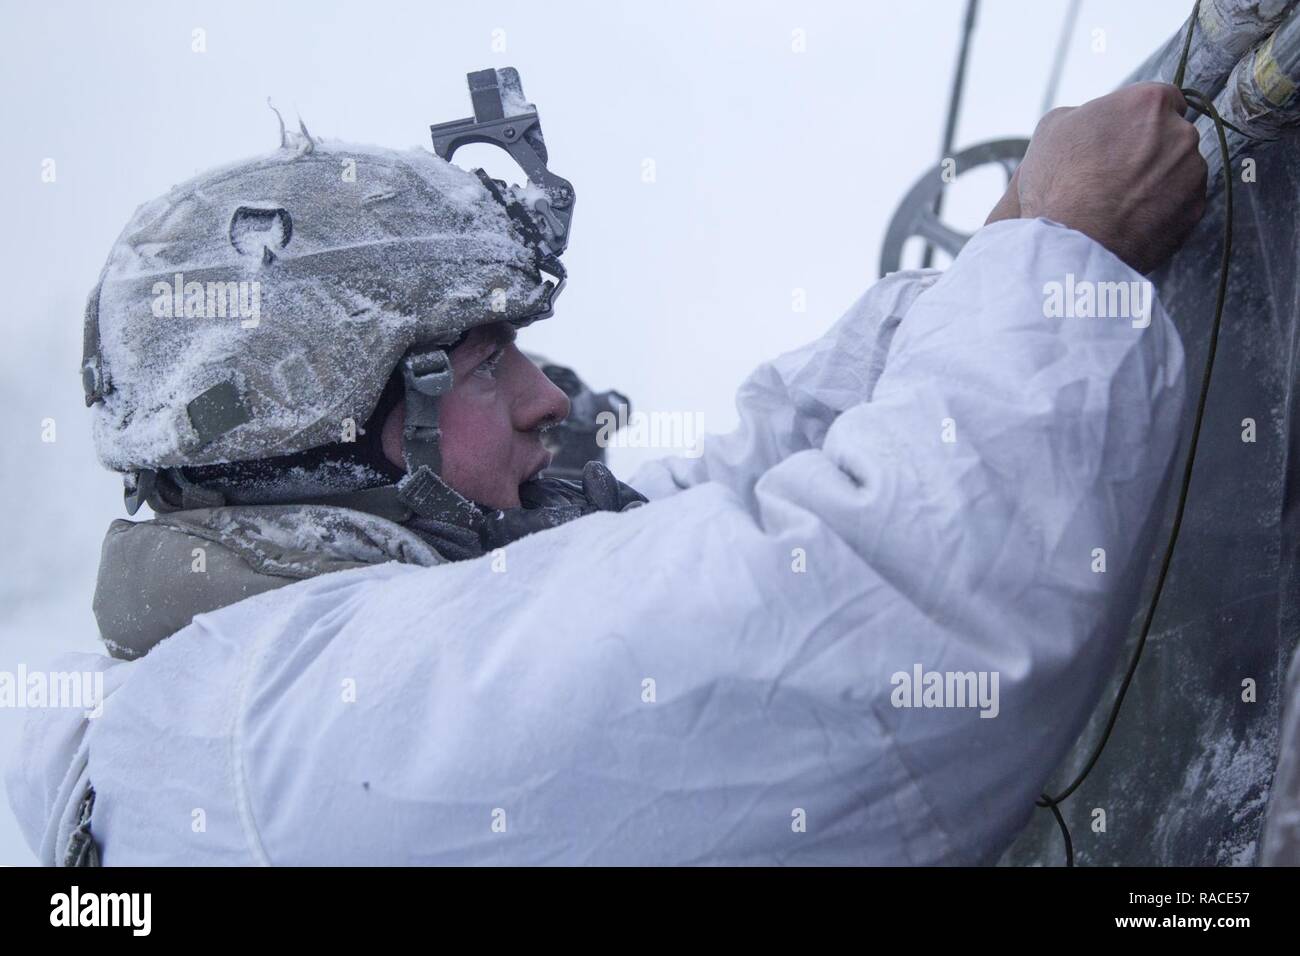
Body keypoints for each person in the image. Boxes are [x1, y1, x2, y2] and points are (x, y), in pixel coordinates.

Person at [7, 74, 1205, 865]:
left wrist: (996, 266)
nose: (548, 399)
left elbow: (694, 516)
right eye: (483, 363)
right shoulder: (289, 727)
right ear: (311, 433)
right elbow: (874, 607)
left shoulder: (253, 674)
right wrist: (1065, 261)